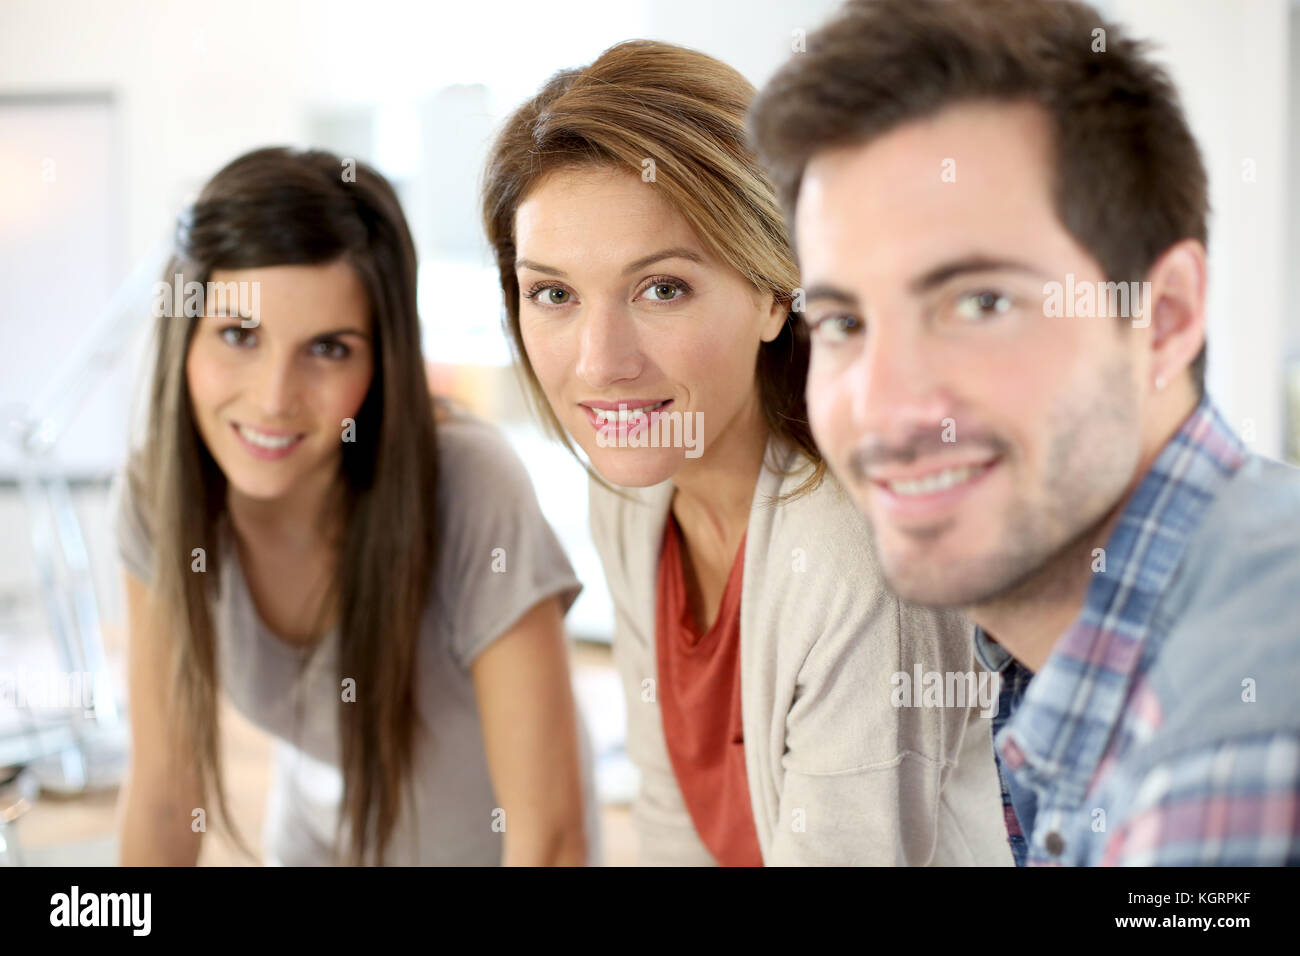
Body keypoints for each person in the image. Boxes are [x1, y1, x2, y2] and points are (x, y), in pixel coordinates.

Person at [751, 0, 1300, 865]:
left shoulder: (1244, 731)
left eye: (979, 303)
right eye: (843, 322)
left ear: (1163, 319)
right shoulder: (1052, 646)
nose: (886, 404)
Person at [483, 40, 1011, 865]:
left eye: (662, 288)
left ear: (774, 293)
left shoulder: (862, 560)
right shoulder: (634, 488)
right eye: (553, 293)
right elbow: (669, 819)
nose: (598, 362)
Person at [114, 146, 597, 866]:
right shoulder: (162, 489)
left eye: (329, 349)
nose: (275, 398)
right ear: (186, 337)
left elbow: (550, 839)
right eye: (239, 336)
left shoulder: (472, 486)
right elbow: (162, 796)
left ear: (382, 362)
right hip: (318, 835)